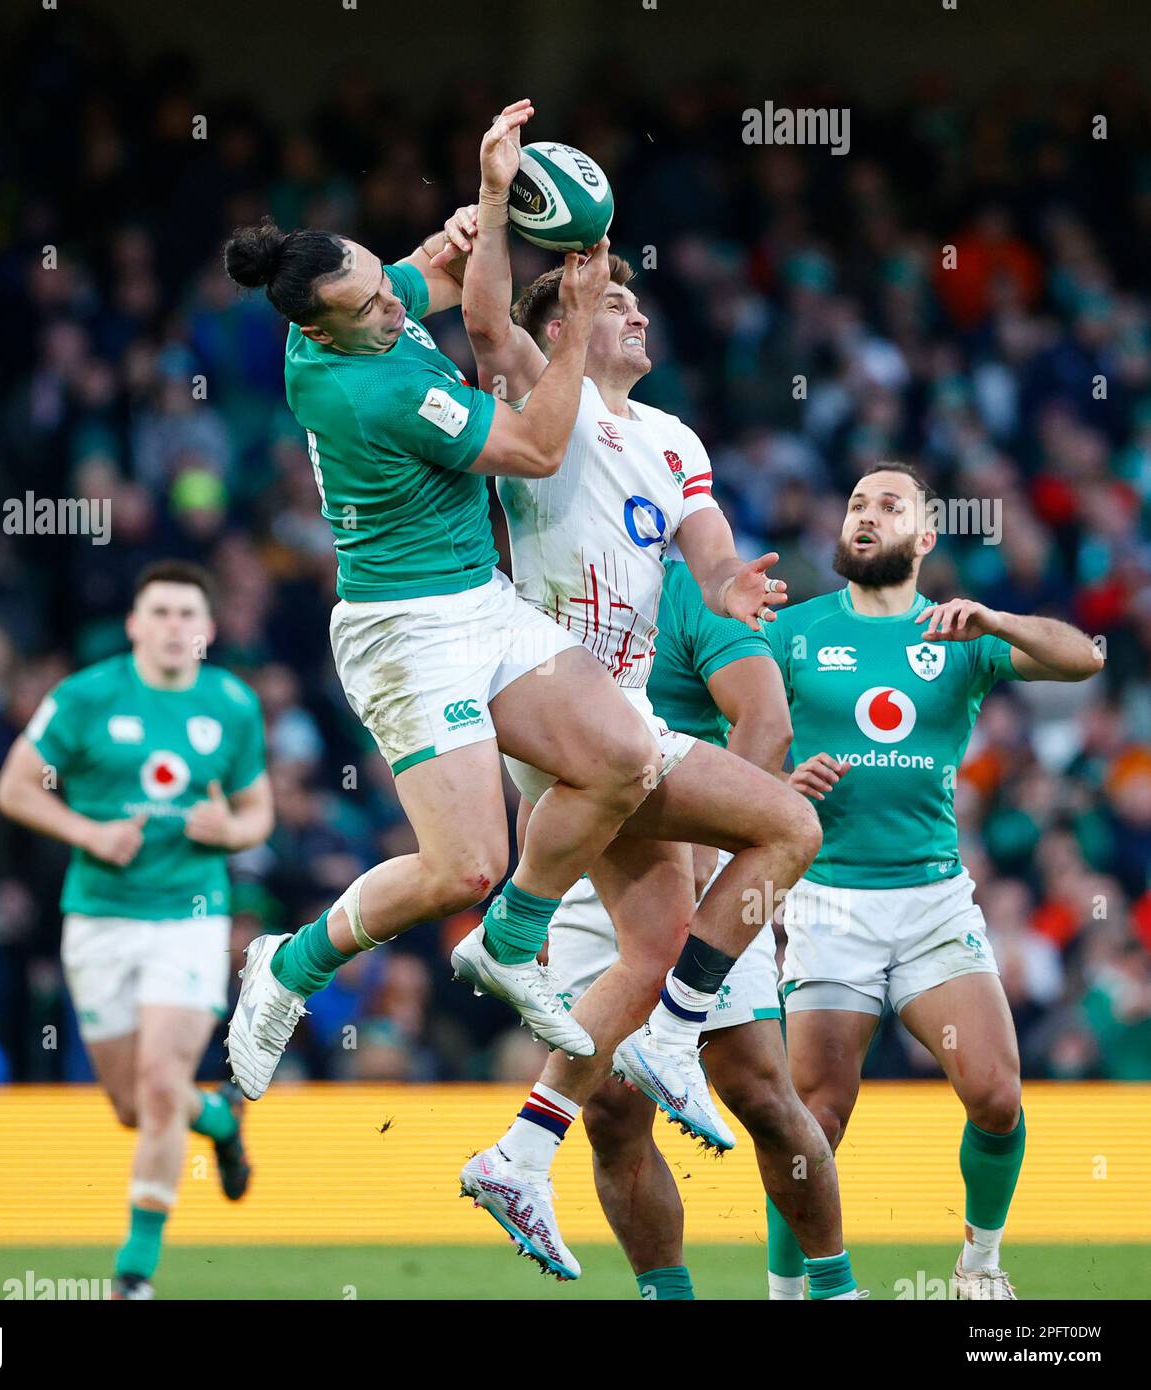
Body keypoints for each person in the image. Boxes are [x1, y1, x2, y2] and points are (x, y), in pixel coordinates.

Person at [453, 102, 834, 1286]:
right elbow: (478, 316)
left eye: (635, 299)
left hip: (623, 715)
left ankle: (521, 1148)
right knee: (788, 822)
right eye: (614, 297)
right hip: (560, 706)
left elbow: (709, 556)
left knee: (658, 938)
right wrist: (494, 187)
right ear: (564, 312)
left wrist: (736, 583)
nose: (633, 305)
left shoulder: (669, 436)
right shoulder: (538, 389)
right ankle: (658, 1027)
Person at [223, 98, 667, 1106]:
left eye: (387, 285)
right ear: (317, 331)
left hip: (483, 598)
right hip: (406, 634)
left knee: (623, 758)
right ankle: (288, 965)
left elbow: (436, 267)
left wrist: (487, 199)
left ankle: (513, 943)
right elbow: (538, 446)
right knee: (464, 865)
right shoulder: (369, 391)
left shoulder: (347, 310)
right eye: (375, 305)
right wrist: (575, 330)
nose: (395, 304)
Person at [750, 462, 1104, 1300]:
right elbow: (734, 742)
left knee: (997, 1095)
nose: (866, 515)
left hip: (935, 902)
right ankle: (786, 1294)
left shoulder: (961, 633)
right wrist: (776, 787)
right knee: (814, 1125)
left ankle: (978, 1267)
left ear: (925, 536)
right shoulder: (788, 633)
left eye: (889, 505)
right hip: (831, 902)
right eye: (857, 504)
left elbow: (1084, 657)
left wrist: (996, 619)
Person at [544, 556, 851, 1300]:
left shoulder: (686, 588)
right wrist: (536, 895)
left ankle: (836, 1290)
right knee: (613, 1113)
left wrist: (714, 850)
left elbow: (765, 718)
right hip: (584, 869)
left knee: (758, 1093)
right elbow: (534, 752)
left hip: (689, 870)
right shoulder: (526, 591)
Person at [0, 560, 274, 1299]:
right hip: (98, 919)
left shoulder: (233, 705)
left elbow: (258, 813)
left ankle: (133, 1275)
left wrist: (230, 829)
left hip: (189, 918)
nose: (175, 626)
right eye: (161, 612)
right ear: (134, 625)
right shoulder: (86, 696)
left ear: (208, 631)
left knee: (157, 1086)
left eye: (188, 614)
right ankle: (216, 1119)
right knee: (131, 1105)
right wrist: (86, 830)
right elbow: (14, 787)